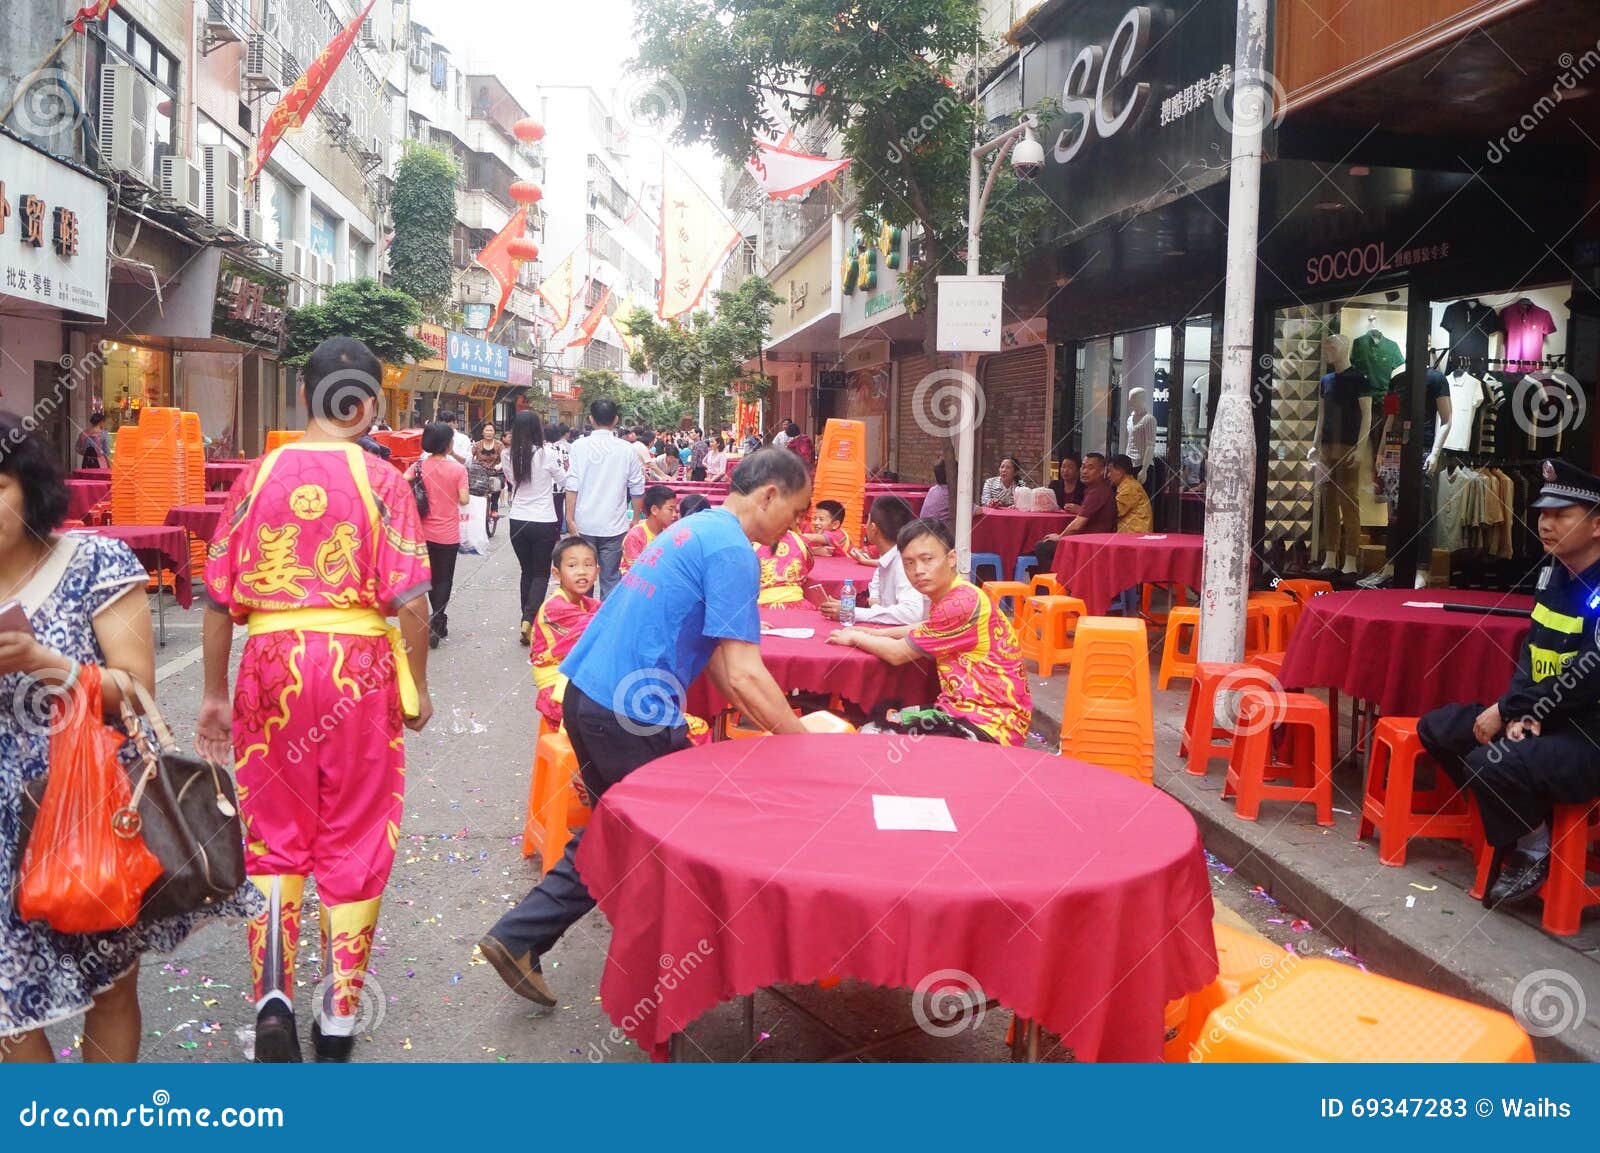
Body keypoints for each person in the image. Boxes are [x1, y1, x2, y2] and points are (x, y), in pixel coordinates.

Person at [478, 449, 817, 1005]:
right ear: (770, 495)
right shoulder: (733, 549)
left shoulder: (694, 529)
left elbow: (720, 663)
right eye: (797, 512)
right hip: (629, 714)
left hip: (591, 694)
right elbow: (747, 672)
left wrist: (769, 723)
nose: (796, 526)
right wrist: (804, 746)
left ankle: (522, 937)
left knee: (622, 832)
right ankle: (691, 965)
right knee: (680, 823)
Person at [195, 337, 433, 1062]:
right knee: (357, 831)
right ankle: (337, 1014)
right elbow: (414, 602)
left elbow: (215, 596)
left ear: (306, 398)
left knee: (272, 832)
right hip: (357, 667)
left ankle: (273, 999)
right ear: (364, 406)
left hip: (268, 664)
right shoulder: (382, 481)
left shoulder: (255, 475)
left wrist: (211, 694)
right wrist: (418, 688)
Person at [0, 414, 256, 1063]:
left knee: (110, 987)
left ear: (28, 486)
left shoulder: (92, 561)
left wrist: (41, 661)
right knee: (8, 1004)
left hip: (87, 799)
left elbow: (136, 686)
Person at [1417, 459, 1600, 909]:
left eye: (1562, 515)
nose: (1546, 523)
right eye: (1543, 513)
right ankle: (1528, 824)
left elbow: (1586, 679)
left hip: (1588, 736)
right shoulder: (1551, 573)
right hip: (1545, 717)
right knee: (1440, 728)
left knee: (1490, 762)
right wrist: (1518, 710)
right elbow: (1530, 653)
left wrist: (1520, 710)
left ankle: (1535, 850)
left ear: (1597, 527)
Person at [829, 517, 1031, 745]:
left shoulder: (959, 603)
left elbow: (897, 654)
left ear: (952, 558)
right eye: (909, 563)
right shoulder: (956, 593)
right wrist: (874, 633)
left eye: (928, 560)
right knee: (881, 720)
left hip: (989, 723)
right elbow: (925, 628)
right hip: (959, 710)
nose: (918, 571)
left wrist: (855, 637)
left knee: (876, 737)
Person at [564, 398, 645, 598]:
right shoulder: (627, 449)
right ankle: (607, 626)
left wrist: (570, 518)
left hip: (584, 524)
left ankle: (584, 625)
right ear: (615, 420)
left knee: (583, 580)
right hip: (614, 526)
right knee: (610, 579)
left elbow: (572, 484)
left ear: (591, 419)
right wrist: (635, 518)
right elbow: (637, 486)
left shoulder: (579, 447)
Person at [502, 410, 566, 645]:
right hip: (544, 520)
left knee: (526, 572)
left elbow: (511, 481)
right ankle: (530, 619)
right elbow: (564, 480)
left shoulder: (507, 455)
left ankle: (525, 619)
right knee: (541, 573)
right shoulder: (547, 453)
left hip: (518, 519)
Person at [820, 495, 927, 626]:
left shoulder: (904, 562)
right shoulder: (888, 557)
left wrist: (854, 612)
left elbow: (913, 614)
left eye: (868, 520)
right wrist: (849, 607)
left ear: (873, 528)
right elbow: (875, 598)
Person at [530, 537, 601, 728]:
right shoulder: (556, 607)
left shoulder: (586, 603)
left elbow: (611, 612)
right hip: (558, 693)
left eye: (588, 565)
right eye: (572, 565)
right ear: (556, 573)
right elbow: (607, 624)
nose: (581, 571)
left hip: (577, 684)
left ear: (597, 571)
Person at [416, 421, 469, 648]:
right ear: (448, 445)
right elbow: (464, 499)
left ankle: (438, 619)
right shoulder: (458, 469)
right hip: (448, 534)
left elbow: (402, 485)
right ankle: (437, 619)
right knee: (445, 579)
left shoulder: (418, 466)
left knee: (430, 579)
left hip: (422, 533)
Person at [1031, 452, 1117, 572]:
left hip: (1092, 544)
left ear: (1103, 471)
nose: (1084, 471)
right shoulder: (1094, 489)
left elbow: (1077, 525)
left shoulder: (1098, 491)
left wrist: (1060, 537)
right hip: (1089, 540)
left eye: (1090, 467)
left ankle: (1057, 586)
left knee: (1042, 547)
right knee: (1044, 544)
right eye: (1083, 466)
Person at [622, 484, 679, 575]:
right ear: (654, 510)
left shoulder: (670, 533)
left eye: (676, 510)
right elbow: (635, 571)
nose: (675, 515)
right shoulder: (636, 536)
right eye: (670, 509)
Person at [756, 526, 813, 608]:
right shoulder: (801, 540)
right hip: (797, 606)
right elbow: (808, 567)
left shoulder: (750, 540)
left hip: (760, 606)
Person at [1108, 453, 1154, 533]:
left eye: (1110, 471)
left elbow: (1113, 511)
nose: (1108, 475)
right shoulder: (1129, 484)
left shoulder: (1129, 487)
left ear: (1120, 471)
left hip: (1135, 535)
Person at [473, 420, 504, 521]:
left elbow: (505, 459)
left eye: (491, 430)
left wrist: (500, 465)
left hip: (496, 473)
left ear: (494, 432)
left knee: (496, 484)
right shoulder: (477, 445)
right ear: (482, 432)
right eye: (487, 430)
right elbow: (469, 456)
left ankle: (494, 508)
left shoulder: (499, 445)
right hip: (480, 473)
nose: (489, 433)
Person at [920, 460, 951, 525]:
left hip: (923, 528)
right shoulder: (950, 494)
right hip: (937, 532)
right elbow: (974, 510)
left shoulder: (933, 489)